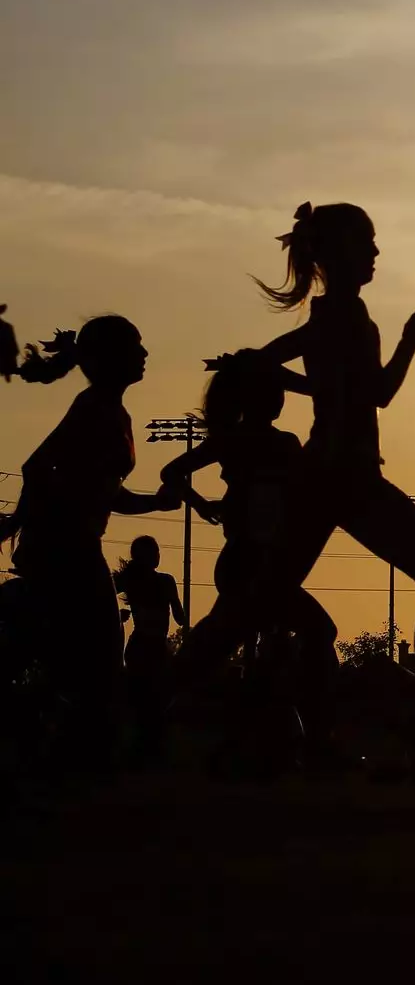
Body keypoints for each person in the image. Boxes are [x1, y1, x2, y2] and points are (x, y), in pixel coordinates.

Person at [251, 203, 415, 788]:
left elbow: (322, 375)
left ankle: (155, 709)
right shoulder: (347, 315)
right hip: (346, 476)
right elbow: (370, 391)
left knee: (261, 600)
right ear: (336, 254)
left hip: (328, 474)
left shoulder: (338, 312)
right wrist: (408, 345)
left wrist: (261, 365)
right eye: (367, 243)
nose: (375, 254)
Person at [0, 318, 179, 772]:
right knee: (95, 658)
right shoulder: (93, 408)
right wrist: (23, 521)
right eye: (134, 347)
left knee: (72, 656)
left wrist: (155, 504)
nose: (144, 354)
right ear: (109, 358)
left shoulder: (112, 412)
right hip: (66, 549)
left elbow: (108, 493)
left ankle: (56, 746)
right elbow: (35, 465)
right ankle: (77, 753)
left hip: (73, 545)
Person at [160, 351, 340, 770]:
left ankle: (261, 731)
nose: (280, 399)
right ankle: (313, 740)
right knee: (307, 633)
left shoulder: (245, 441)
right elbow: (176, 472)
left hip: (257, 561)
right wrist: (204, 504)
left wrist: (202, 503)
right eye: (274, 392)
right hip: (252, 562)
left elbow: (173, 472)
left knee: (229, 646)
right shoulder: (268, 443)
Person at [113, 535, 186, 762]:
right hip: (152, 647)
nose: (158, 556)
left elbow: (99, 595)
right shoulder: (166, 581)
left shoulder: (130, 581)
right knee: (155, 700)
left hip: (141, 646)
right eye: (155, 553)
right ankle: (149, 748)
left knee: (145, 701)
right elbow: (181, 618)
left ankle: (144, 747)